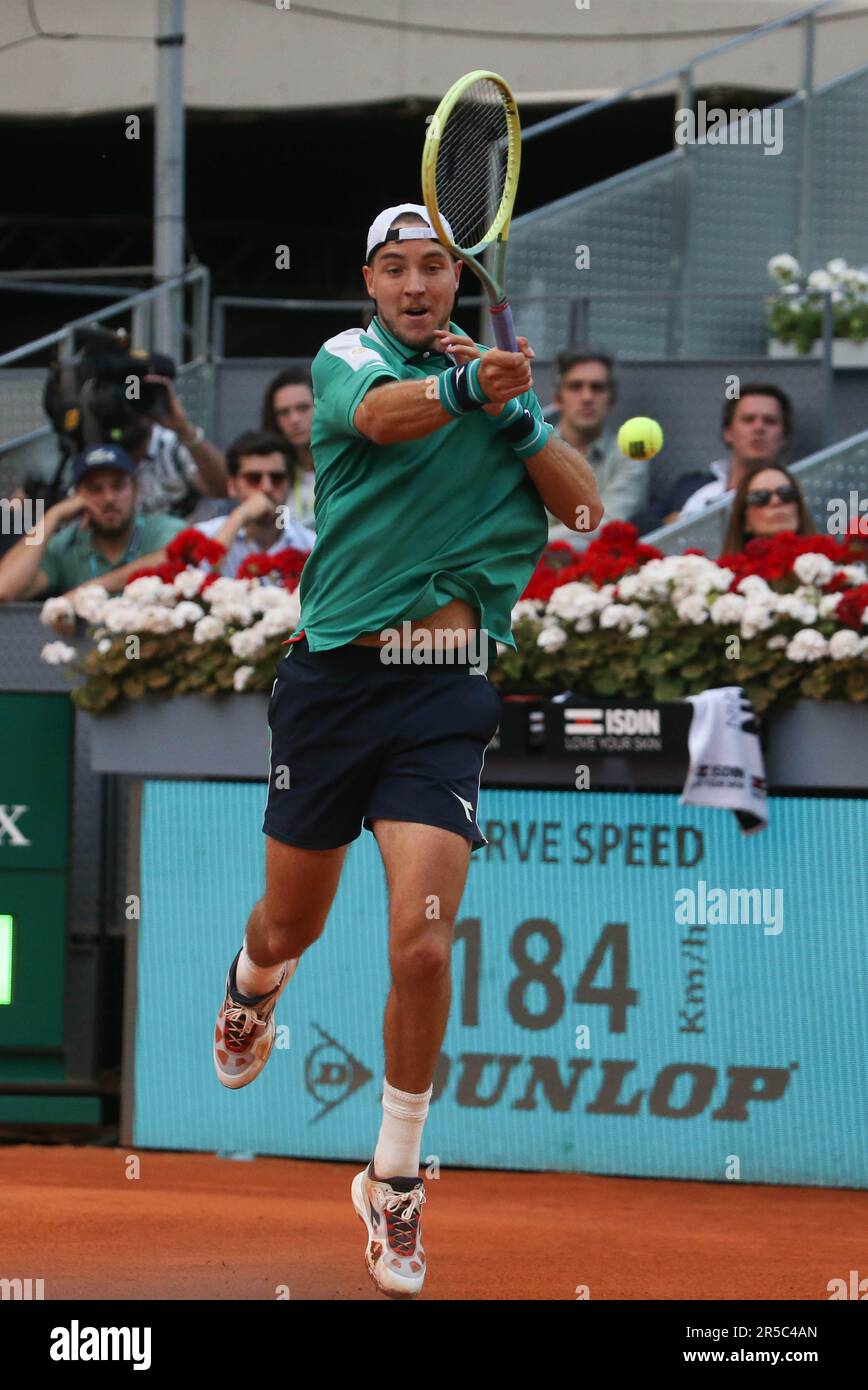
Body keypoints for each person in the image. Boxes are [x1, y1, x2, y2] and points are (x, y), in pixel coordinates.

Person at [211, 202, 602, 1300]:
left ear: (458, 279)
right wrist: (465, 390)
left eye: (436, 265)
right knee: (292, 921)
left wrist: (516, 415)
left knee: (424, 949)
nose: (418, 282)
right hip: (333, 687)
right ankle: (250, 985)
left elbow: (581, 511)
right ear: (371, 285)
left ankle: (393, 1179)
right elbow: (383, 420)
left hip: (444, 690)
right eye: (397, 268)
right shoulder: (347, 360)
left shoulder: (491, 385)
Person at [0, 443, 185, 609]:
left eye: (118, 486)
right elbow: (4, 588)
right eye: (95, 489)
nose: (109, 498)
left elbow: (177, 557)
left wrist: (91, 589)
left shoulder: (160, 528)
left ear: (135, 490)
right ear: (78, 495)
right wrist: (52, 516)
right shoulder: (65, 545)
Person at [633, 384, 794, 533]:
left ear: (784, 436)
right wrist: (667, 525)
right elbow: (636, 526)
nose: (759, 428)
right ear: (728, 432)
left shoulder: (791, 495)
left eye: (770, 421)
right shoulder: (690, 485)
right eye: (748, 419)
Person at [547, 346, 648, 544]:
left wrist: (530, 541)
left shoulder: (631, 453)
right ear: (558, 399)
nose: (587, 397)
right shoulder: (530, 449)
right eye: (576, 386)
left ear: (611, 400)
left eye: (597, 387)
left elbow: (609, 525)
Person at [192, 430, 315, 576]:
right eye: (254, 478)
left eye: (277, 478)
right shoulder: (205, 534)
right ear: (232, 487)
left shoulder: (310, 544)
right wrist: (240, 516)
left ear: (289, 484)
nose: (267, 487)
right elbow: (193, 580)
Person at [261, 367, 316, 530]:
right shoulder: (267, 479)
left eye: (303, 408)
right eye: (283, 412)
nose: (294, 419)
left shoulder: (351, 467)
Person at [720, 463, 814, 553]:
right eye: (761, 497)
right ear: (745, 521)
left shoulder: (827, 559)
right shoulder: (727, 569)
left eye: (786, 494)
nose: (776, 501)